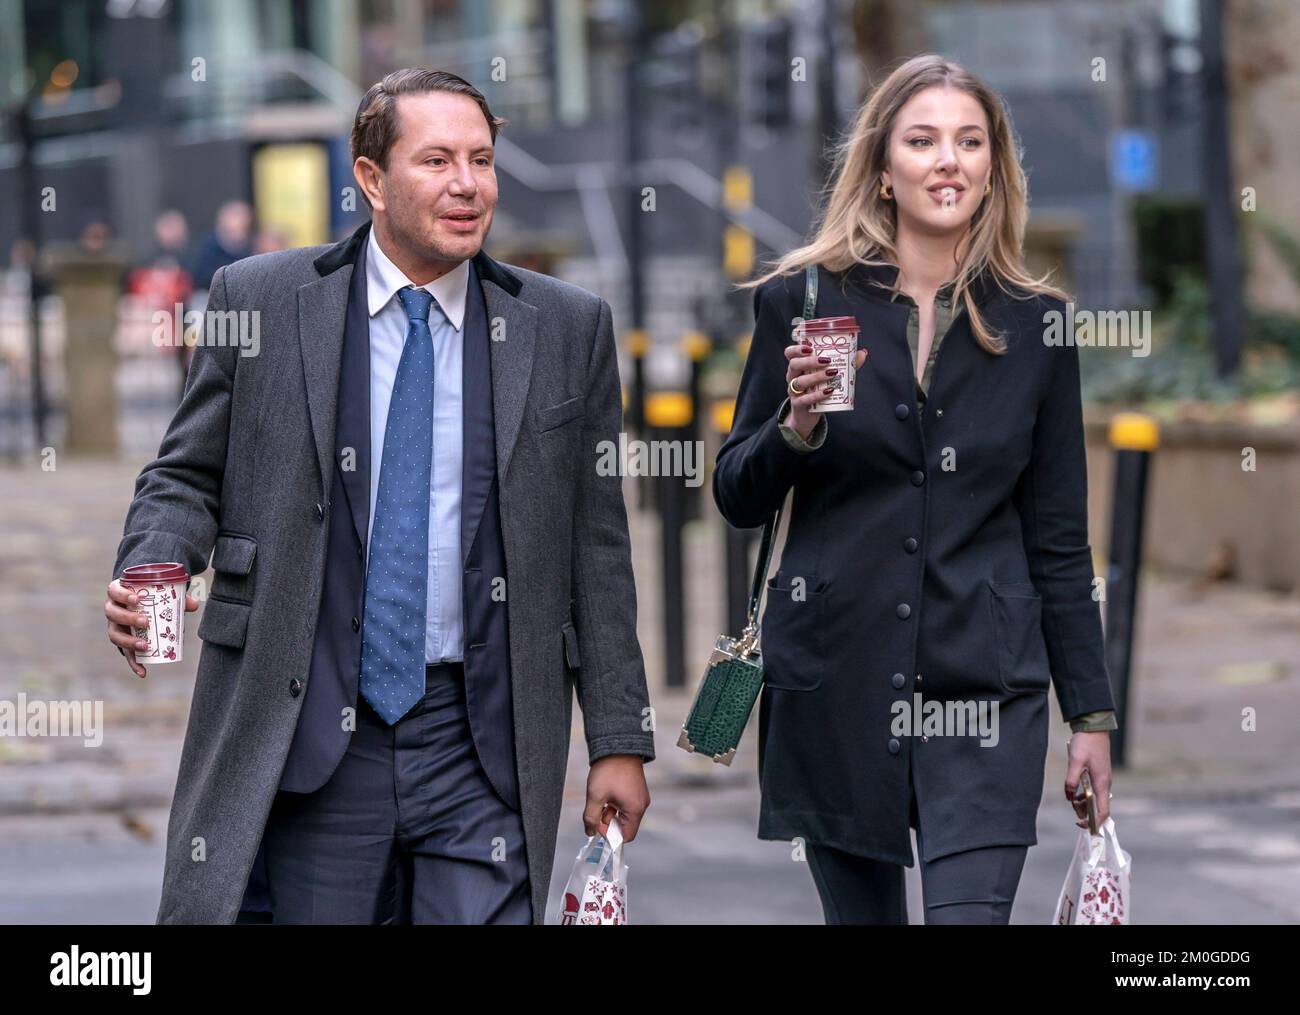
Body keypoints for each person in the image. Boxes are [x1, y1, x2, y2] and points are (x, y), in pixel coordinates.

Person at [104, 68, 653, 924]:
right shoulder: (261, 301)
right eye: (436, 160)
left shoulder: (564, 326)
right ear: (370, 179)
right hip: (319, 729)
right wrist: (156, 561)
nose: (468, 184)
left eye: (482, 159)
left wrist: (619, 736)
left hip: (485, 744)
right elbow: (184, 475)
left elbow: (598, 547)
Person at [713, 54, 1116, 925]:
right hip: (837, 682)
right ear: (884, 167)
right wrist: (796, 429)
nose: (948, 161)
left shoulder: (1038, 323)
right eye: (923, 140)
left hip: (985, 692)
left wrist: (1091, 712)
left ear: (994, 166)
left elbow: (1057, 536)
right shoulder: (805, 299)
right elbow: (737, 494)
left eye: (970, 142)